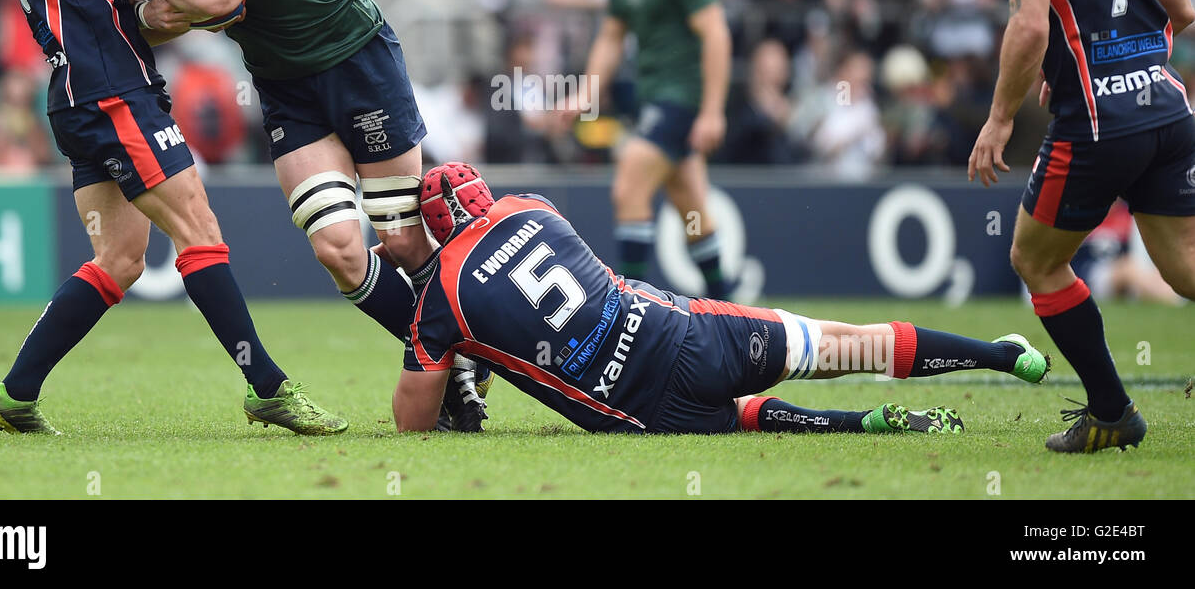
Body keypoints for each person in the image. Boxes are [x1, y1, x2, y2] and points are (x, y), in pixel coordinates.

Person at [0, 0, 343, 436]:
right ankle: (269, 387)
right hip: (114, 94)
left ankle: (15, 393)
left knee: (119, 258)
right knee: (200, 229)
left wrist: (187, 8)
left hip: (75, 101)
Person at [134, 0, 483, 427]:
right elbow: (150, 25)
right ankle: (445, 358)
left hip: (360, 67)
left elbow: (215, 1)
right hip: (288, 91)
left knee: (400, 239)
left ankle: (467, 345)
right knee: (340, 249)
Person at [390, 162, 1050, 435]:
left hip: (640, 408)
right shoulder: (533, 206)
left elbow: (412, 423)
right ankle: (999, 355)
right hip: (683, 331)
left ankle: (859, 424)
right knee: (848, 344)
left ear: (435, 229)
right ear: (483, 194)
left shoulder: (440, 303)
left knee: (736, 415)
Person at [969, 0, 1195, 453]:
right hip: (1168, 109)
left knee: (1035, 260)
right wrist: (1121, 54)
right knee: (1184, 266)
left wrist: (1000, 118)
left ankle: (1111, 410)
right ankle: (1111, 409)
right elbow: (1180, 9)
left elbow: (1029, 21)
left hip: (1099, 124)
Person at [558, 0, 734, 300]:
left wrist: (712, 110)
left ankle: (631, 307)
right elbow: (612, 37)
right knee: (692, 210)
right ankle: (732, 313)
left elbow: (716, 33)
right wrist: (585, 93)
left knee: (629, 183)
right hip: (653, 99)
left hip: (682, 100)